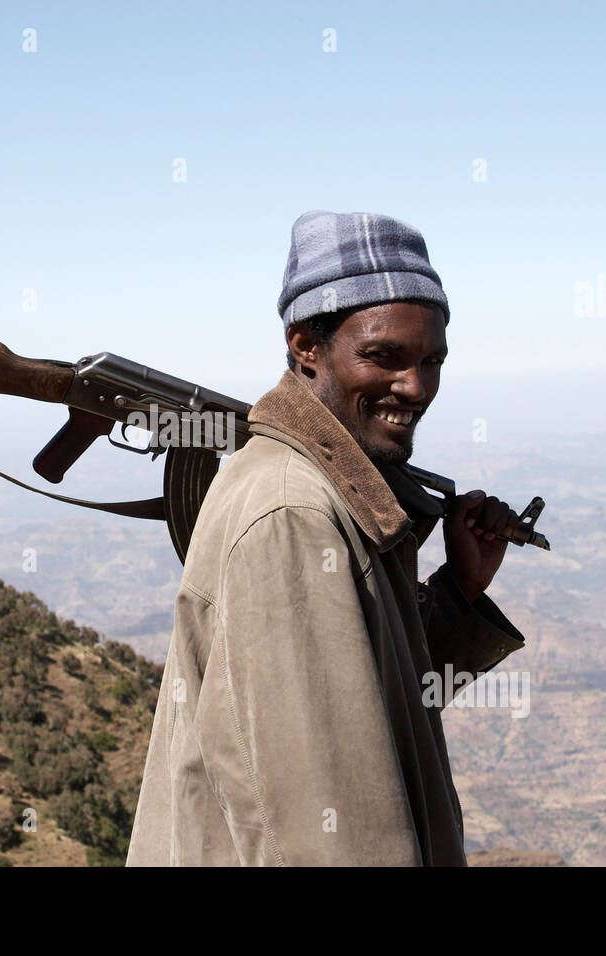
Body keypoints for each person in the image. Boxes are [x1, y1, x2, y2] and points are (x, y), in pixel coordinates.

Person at [125, 210, 529, 866]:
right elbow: (333, 836)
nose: (416, 387)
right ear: (307, 348)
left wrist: (458, 589)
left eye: (432, 361)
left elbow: (377, 707)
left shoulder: (327, 490)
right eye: (384, 356)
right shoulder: (295, 516)